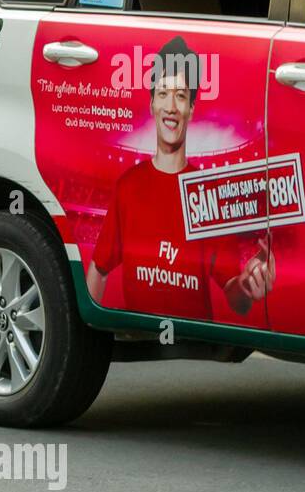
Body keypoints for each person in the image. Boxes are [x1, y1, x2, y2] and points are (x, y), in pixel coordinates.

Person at [85, 34, 274, 319]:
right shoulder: (128, 186)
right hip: (142, 342)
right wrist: (91, 332)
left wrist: (248, 287)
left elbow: (235, 296)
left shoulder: (205, 194)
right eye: (163, 93)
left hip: (194, 346)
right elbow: (98, 269)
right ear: (152, 104)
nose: (171, 106)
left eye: (181, 95)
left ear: (191, 109)